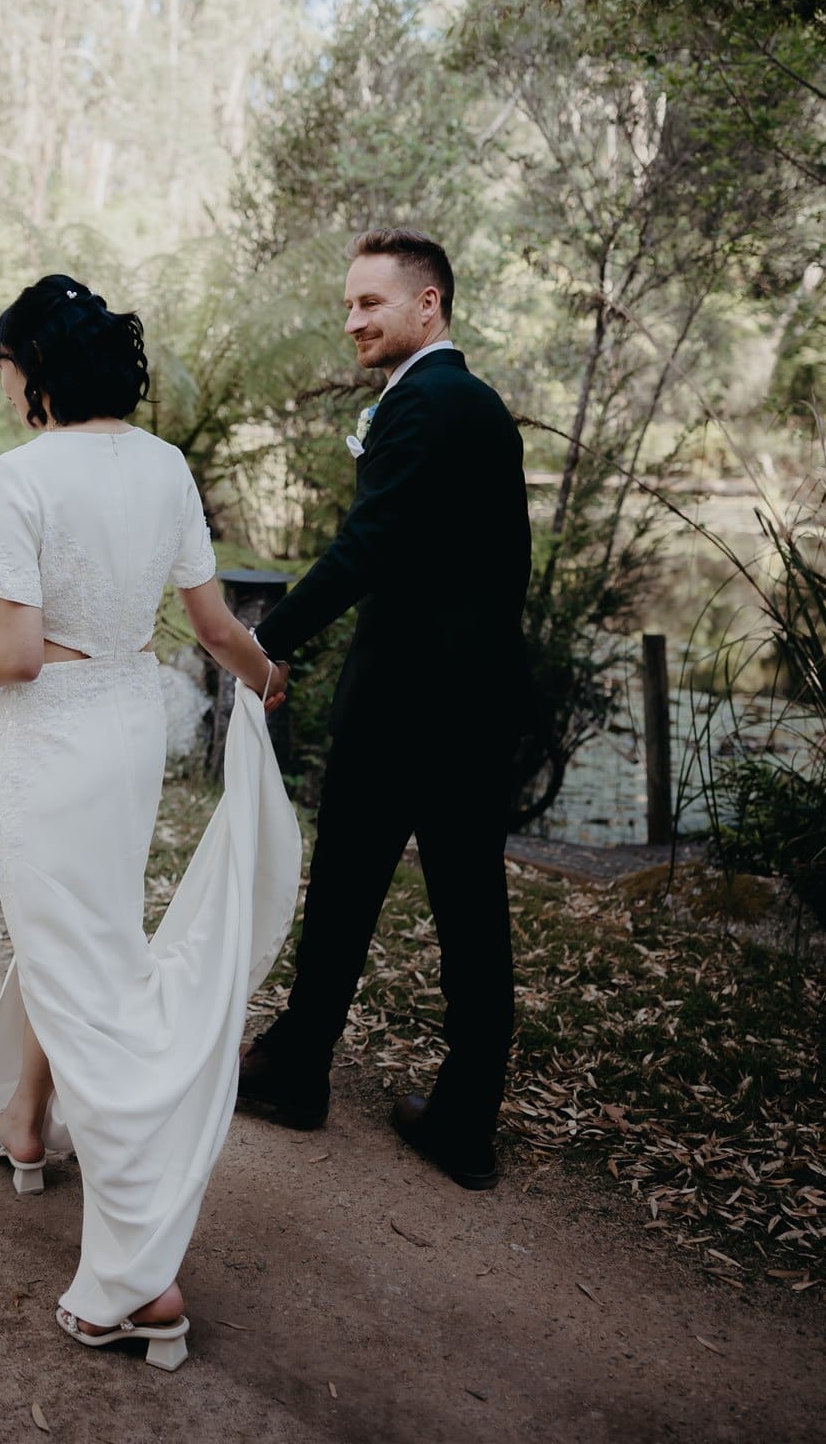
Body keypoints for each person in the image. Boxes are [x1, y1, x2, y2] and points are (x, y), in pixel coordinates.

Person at [0, 275, 299, 1368]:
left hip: (51, 739)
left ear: (40, 371)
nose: (8, 386)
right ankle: (25, 1121)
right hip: (128, 735)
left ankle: (140, 1281)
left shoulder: (20, 475)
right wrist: (265, 675)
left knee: (86, 975)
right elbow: (214, 624)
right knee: (79, 938)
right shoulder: (164, 467)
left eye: (9, 366)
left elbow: (15, 654)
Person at [239, 227, 532, 1190]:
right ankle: (463, 1117)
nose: (352, 322)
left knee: (350, 884)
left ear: (427, 306)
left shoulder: (424, 405)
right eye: (348, 306)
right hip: (476, 704)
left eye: (370, 303)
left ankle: (295, 1071)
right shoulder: (477, 406)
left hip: (406, 702)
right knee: (469, 906)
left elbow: (365, 549)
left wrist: (263, 640)